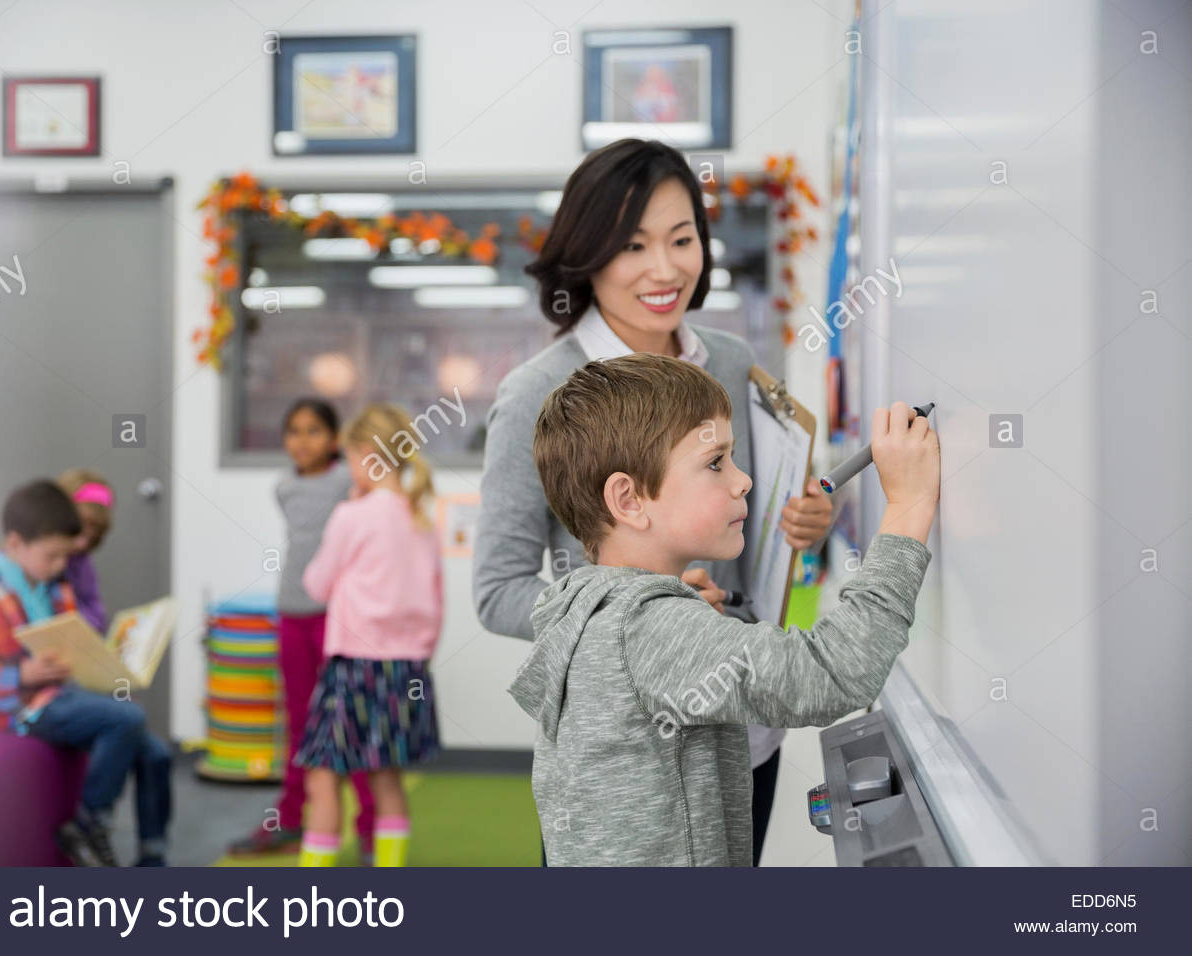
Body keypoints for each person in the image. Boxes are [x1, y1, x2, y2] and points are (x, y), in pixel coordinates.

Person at [474, 138, 834, 863]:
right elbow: (498, 589)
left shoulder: (730, 362)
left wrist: (810, 527)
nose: (665, 269)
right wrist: (628, 617)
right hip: (617, 748)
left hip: (740, 721)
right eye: (632, 246)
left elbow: (749, 522)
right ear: (586, 256)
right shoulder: (536, 393)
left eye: (682, 239)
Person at [509, 354, 939, 865]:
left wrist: (678, 613)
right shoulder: (650, 628)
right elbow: (834, 672)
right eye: (715, 463)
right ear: (628, 500)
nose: (743, 481)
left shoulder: (591, 606)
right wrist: (908, 507)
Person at [0, 479, 173, 867]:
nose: (63, 565)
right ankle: (89, 820)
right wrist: (21, 674)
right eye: (53, 556)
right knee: (127, 717)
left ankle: (152, 855)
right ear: (15, 544)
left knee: (158, 754)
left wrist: (105, 667)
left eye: (66, 556)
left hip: (65, 696)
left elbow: (71, 646)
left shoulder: (54, 587)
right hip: (20, 708)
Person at [227, 398, 377, 860]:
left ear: (334, 439)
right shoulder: (284, 487)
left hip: (337, 620)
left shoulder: (346, 481)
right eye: (293, 431)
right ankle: (290, 819)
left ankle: (371, 826)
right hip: (291, 614)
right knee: (300, 724)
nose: (302, 441)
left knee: (348, 724)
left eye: (313, 431)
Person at [296, 404, 443, 868]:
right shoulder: (420, 517)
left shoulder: (350, 516)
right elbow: (435, 603)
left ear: (363, 455)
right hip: (407, 668)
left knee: (322, 778)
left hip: (354, 665)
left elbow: (315, 585)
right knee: (386, 778)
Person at [56, 468, 114, 632]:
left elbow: (95, 611)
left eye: (90, 537)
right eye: (76, 532)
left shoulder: (81, 561)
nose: (81, 544)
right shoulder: (41, 560)